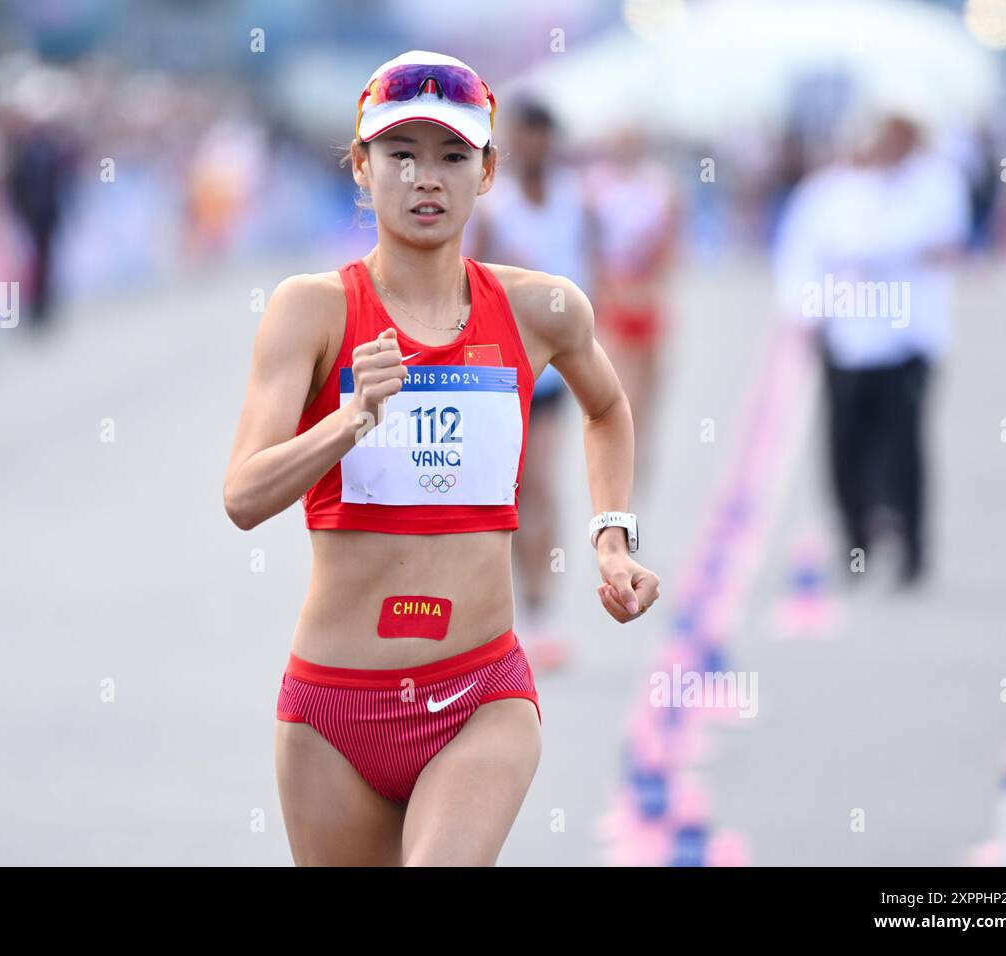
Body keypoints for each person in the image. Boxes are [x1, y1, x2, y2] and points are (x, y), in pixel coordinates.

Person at [223, 51, 659, 866]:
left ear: (486, 171)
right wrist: (348, 422)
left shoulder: (543, 308)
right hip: (332, 712)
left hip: (479, 695)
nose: (428, 178)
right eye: (402, 154)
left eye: (453, 155)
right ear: (361, 165)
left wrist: (611, 538)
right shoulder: (310, 310)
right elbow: (243, 495)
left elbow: (607, 407)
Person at [775, 107, 970, 588]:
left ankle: (911, 549)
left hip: (907, 340)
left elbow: (938, 241)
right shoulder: (826, 194)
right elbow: (801, 255)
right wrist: (806, 315)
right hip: (847, 339)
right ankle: (857, 540)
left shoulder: (931, 184)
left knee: (902, 445)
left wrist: (874, 252)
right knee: (846, 446)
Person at [465, 97, 592, 672]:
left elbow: (597, 278)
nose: (534, 149)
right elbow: (468, 288)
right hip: (500, 375)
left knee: (540, 485)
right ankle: (509, 611)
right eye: (524, 138)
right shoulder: (493, 213)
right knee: (507, 496)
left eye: (542, 138)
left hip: (553, 371)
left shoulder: (577, 205)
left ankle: (542, 610)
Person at [584, 128, 679, 492]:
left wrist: (656, 277)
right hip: (616, 295)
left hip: (648, 295)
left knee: (651, 386)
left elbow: (672, 239)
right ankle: (620, 455)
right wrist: (606, 291)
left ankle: (639, 449)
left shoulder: (658, 184)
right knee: (622, 386)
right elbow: (591, 246)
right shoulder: (597, 187)